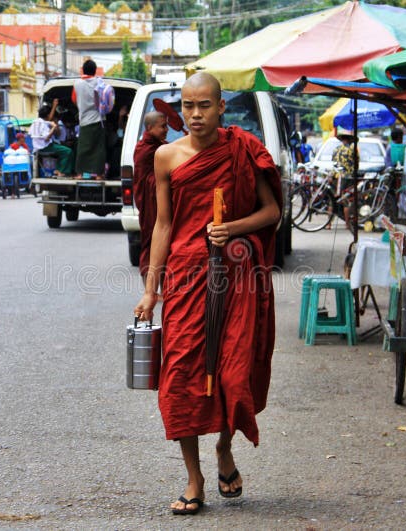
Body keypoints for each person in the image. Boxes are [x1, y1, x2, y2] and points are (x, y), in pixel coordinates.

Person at [134, 73, 281, 516]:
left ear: (221, 108)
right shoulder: (165, 157)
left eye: (204, 106)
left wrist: (231, 229)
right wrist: (150, 291)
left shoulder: (241, 151)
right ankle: (194, 478)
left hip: (233, 276)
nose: (195, 115)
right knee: (179, 378)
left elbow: (271, 210)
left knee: (232, 374)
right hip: (184, 276)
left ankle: (223, 447)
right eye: (188, 106)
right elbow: (163, 225)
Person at [132, 111, 168, 278]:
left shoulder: (158, 144)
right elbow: (147, 178)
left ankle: (160, 287)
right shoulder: (146, 149)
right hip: (150, 201)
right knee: (151, 241)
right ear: (150, 128)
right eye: (163, 126)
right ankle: (149, 287)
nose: (166, 129)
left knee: (165, 242)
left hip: (159, 200)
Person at [72, 59, 105, 176]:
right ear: (95, 71)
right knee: (99, 149)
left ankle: (80, 174)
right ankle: (99, 175)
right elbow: (105, 99)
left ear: (83, 70)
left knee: (83, 149)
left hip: (84, 121)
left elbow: (74, 100)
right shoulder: (100, 82)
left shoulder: (77, 84)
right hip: (98, 120)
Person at [30, 103, 74, 177]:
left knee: (61, 150)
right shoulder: (42, 123)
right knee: (68, 151)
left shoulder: (35, 122)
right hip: (45, 147)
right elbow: (47, 138)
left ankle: (58, 170)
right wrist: (53, 127)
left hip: (37, 147)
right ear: (47, 115)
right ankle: (62, 172)